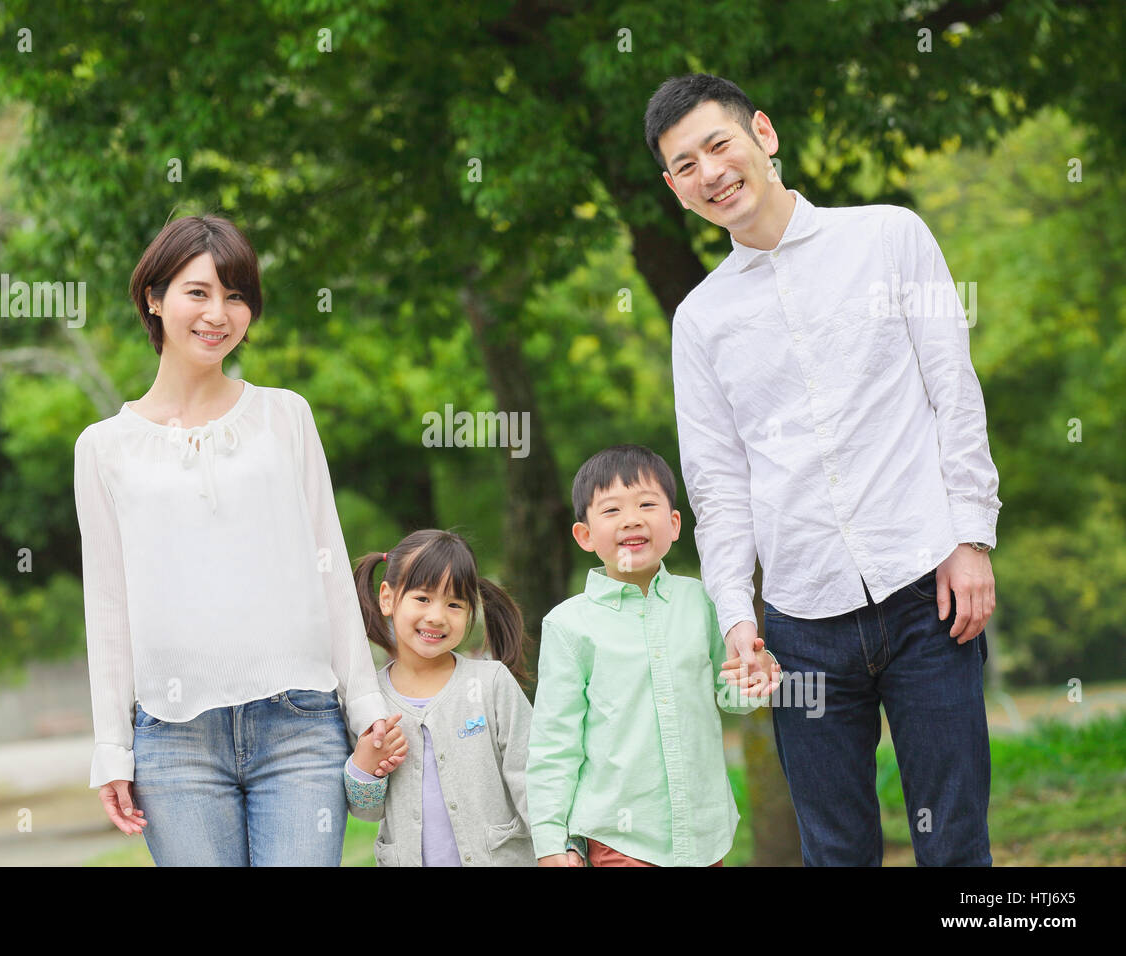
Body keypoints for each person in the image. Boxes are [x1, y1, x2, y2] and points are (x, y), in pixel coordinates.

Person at [645, 73, 1002, 865]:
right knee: (835, 852)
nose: (711, 172)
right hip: (801, 624)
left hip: (928, 593)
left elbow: (954, 392)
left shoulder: (889, 236)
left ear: (762, 135)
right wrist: (738, 618)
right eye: (686, 165)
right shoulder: (699, 319)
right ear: (676, 189)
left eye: (719, 144)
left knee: (956, 845)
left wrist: (971, 536)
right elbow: (717, 483)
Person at [73, 214, 406, 866]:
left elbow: (330, 567)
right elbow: (108, 607)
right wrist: (112, 747)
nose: (219, 313)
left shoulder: (285, 416)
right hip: (173, 740)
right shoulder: (103, 449)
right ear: (154, 297)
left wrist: (365, 702)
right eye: (198, 292)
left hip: (301, 725)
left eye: (236, 295)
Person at [526, 445, 779, 867]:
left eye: (647, 504)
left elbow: (733, 696)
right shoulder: (569, 626)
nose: (632, 519)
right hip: (620, 839)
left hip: (703, 833)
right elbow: (554, 744)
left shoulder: (702, 602)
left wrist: (758, 675)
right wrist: (551, 841)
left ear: (675, 524)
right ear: (584, 535)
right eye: (611, 510)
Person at [343, 529, 537, 866]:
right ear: (388, 598)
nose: (437, 616)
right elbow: (366, 811)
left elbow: (531, 777)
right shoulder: (368, 699)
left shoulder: (490, 683)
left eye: (454, 604)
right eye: (422, 598)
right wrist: (365, 767)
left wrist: (556, 849)